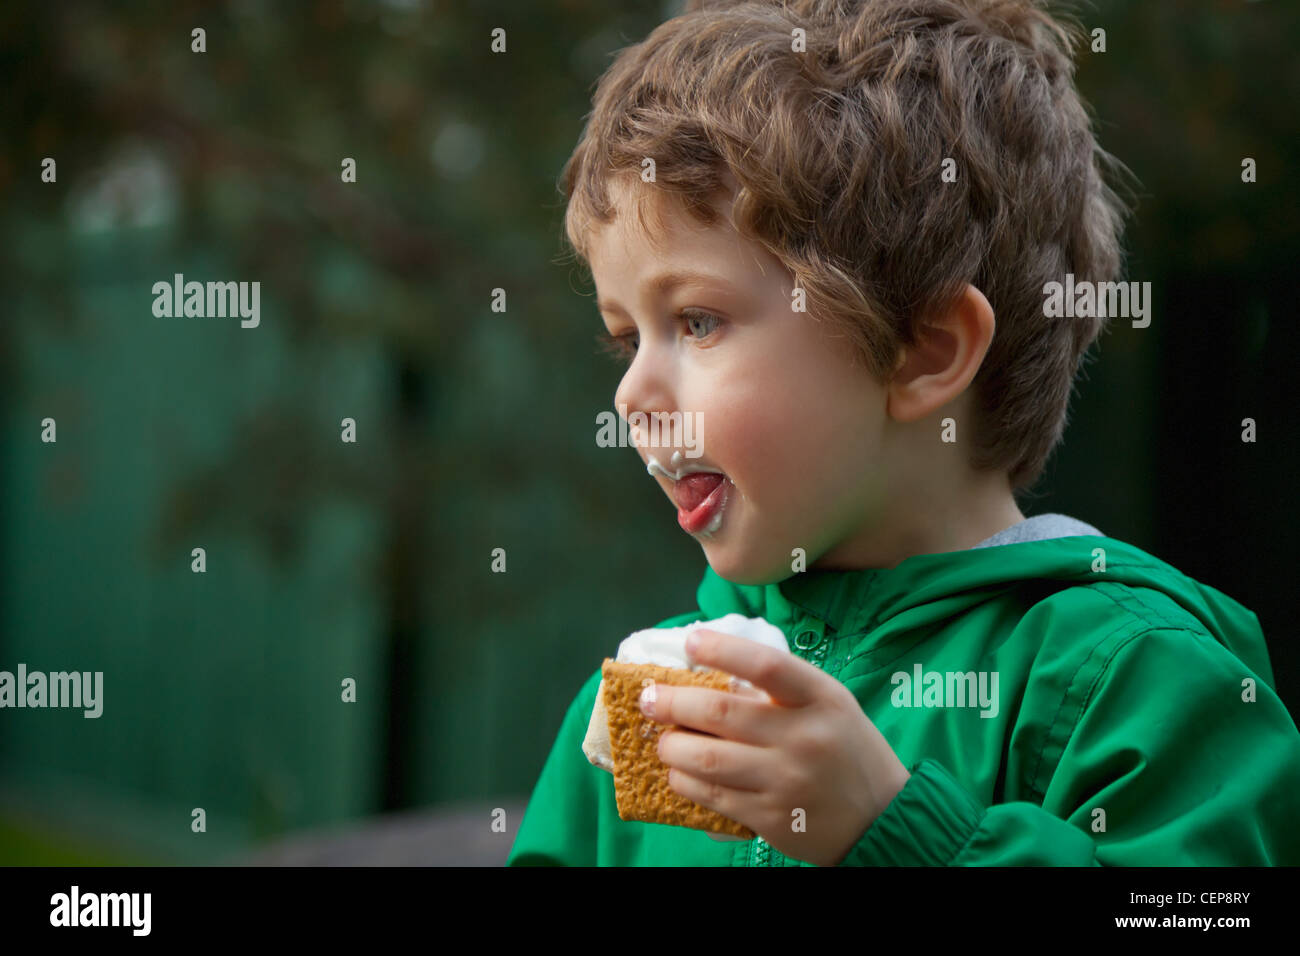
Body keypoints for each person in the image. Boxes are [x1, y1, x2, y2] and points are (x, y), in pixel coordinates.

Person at [506, 0, 1300, 866]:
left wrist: (892, 831)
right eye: (628, 337)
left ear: (923, 352)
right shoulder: (647, 707)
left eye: (696, 321)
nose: (631, 394)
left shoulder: (1142, 681)